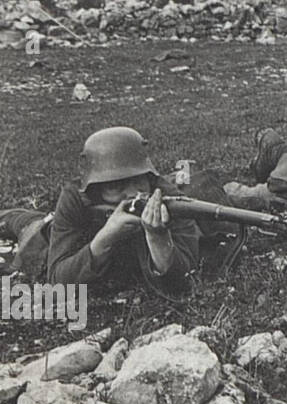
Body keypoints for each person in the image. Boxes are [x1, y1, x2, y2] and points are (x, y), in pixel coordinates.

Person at [39, 127, 201, 297]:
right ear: (95, 191)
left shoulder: (169, 198)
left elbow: (185, 282)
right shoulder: (76, 199)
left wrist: (158, 239)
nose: (132, 193)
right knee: (27, 227)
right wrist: (105, 238)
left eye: (138, 180)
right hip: (45, 229)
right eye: (115, 186)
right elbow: (58, 282)